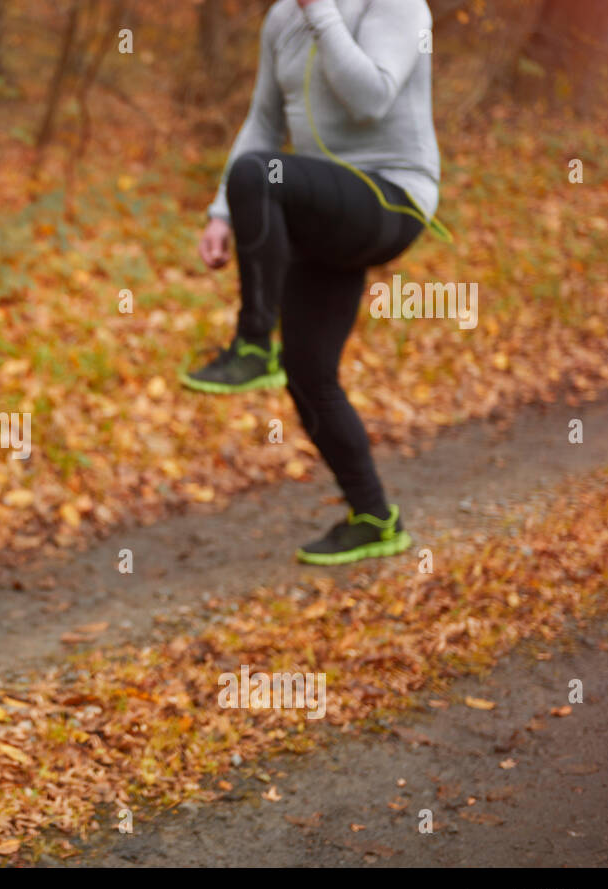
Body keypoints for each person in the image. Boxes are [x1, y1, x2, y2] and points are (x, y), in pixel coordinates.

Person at [181, 0, 442, 565]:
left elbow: (372, 97)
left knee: (261, 173)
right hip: (326, 207)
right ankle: (374, 516)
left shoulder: (394, 6)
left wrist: (320, 13)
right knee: (309, 372)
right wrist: (222, 212)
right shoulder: (281, 19)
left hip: (392, 194)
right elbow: (263, 122)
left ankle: (253, 343)